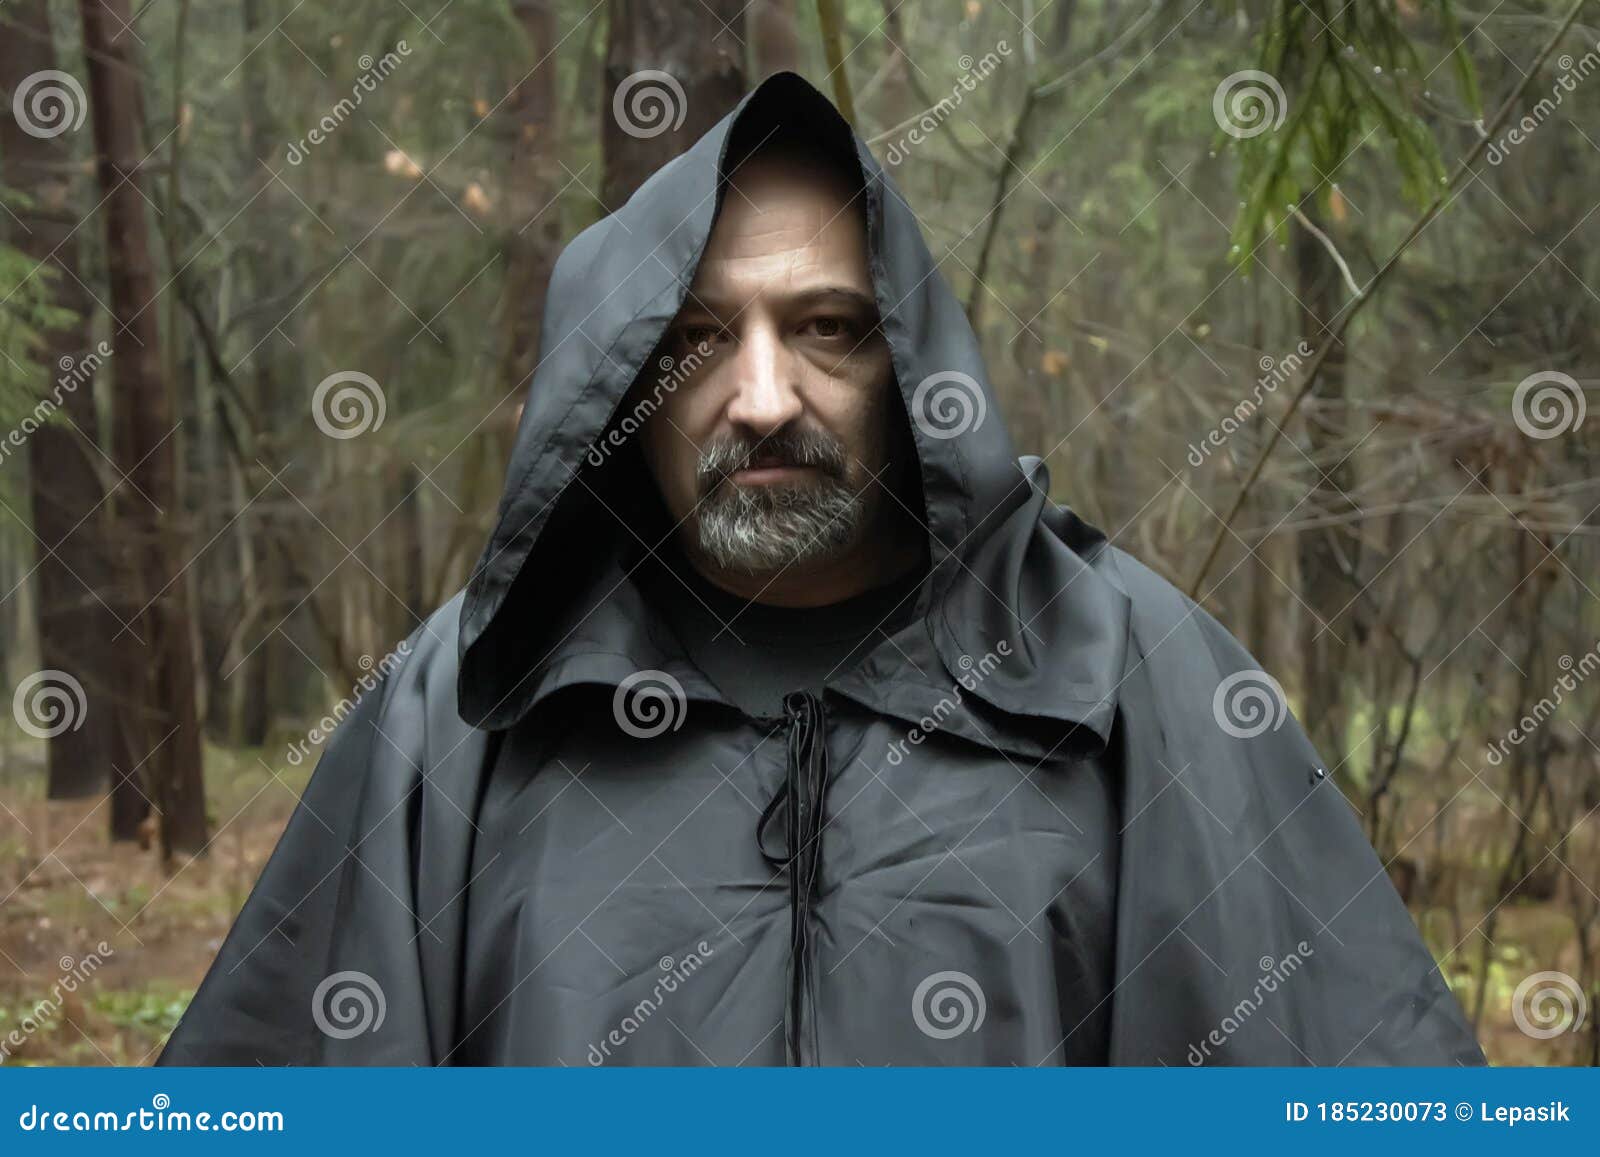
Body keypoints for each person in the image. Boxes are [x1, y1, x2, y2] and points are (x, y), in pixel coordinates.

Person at [159, 72, 1483, 1066]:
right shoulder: (457, 714)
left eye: (827, 327)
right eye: (695, 340)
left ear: (911, 362)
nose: (759, 393)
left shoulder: (1136, 680)